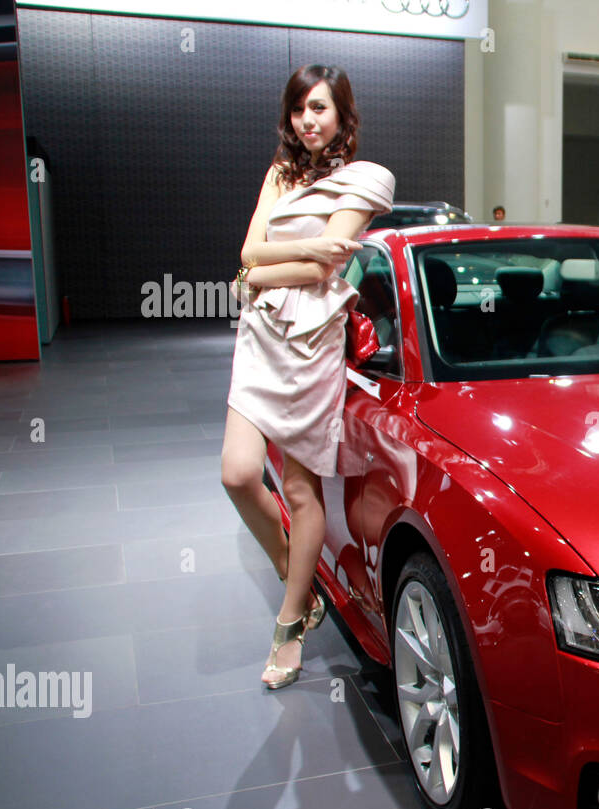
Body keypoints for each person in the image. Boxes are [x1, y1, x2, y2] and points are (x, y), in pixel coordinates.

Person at [221, 64, 395, 690]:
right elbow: (250, 253)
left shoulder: (368, 178)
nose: (308, 121)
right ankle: (292, 567)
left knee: (300, 491)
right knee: (237, 473)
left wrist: (257, 271)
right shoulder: (280, 172)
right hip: (261, 338)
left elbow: (321, 270)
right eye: (299, 110)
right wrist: (276, 261)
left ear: (344, 115)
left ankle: (292, 618)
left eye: (319, 108)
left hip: (313, 344)